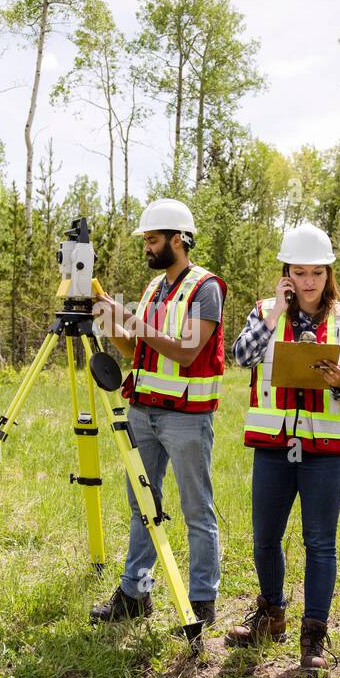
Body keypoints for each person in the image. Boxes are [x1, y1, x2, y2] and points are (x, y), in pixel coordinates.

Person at [226, 223, 340, 670]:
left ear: (329, 273)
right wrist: (274, 314)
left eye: (317, 272)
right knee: (264, 539)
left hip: (326, 451)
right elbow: (241, 356)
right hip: (274, 446)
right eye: (299, 271)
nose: (309, 281)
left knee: (319, 543)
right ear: (286, 273)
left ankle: (313, 637)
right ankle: (271, 616)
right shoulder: (264, 312)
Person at [90, 198, 227, 629]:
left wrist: (134, 321)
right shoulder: (154, 288)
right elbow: (138, 351)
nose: (146, 247)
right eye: (146, 240)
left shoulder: (207, 288)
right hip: (143, 411)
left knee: (196, 510)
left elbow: (187, 352)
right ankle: (136, 592)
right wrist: (113, 325)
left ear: (178, 239)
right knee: (142, 506)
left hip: (186, 418)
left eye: (152, 240)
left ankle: (202, 601)